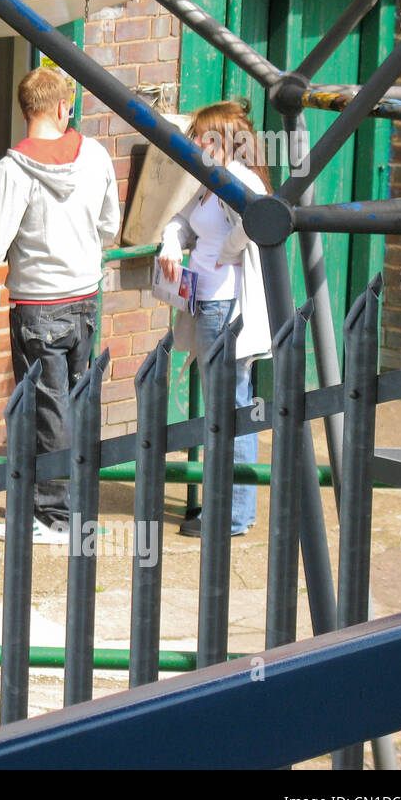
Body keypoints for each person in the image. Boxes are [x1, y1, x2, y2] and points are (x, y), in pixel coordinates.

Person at [0, 66, 120, 544]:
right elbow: (110, 226)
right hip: (85, 298)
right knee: (75, 406)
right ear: (63, 107)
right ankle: (72, 510)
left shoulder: (11, 169)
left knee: (45, 412)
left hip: (38, 304)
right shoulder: (96, 155)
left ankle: (52, 518)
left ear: (25, 108)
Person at [157, 100, 271, 538]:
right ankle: (229, 506)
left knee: (232, 409)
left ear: (224, 142)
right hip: (205, 302)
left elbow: (255, 220)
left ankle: (233, 514)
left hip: (225, 307)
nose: (195, 144)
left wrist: (226, 255)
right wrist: (170, 243)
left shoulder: (237, 180)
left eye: (203, 137)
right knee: (227, 406)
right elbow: (182, 222)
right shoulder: (210, 182)